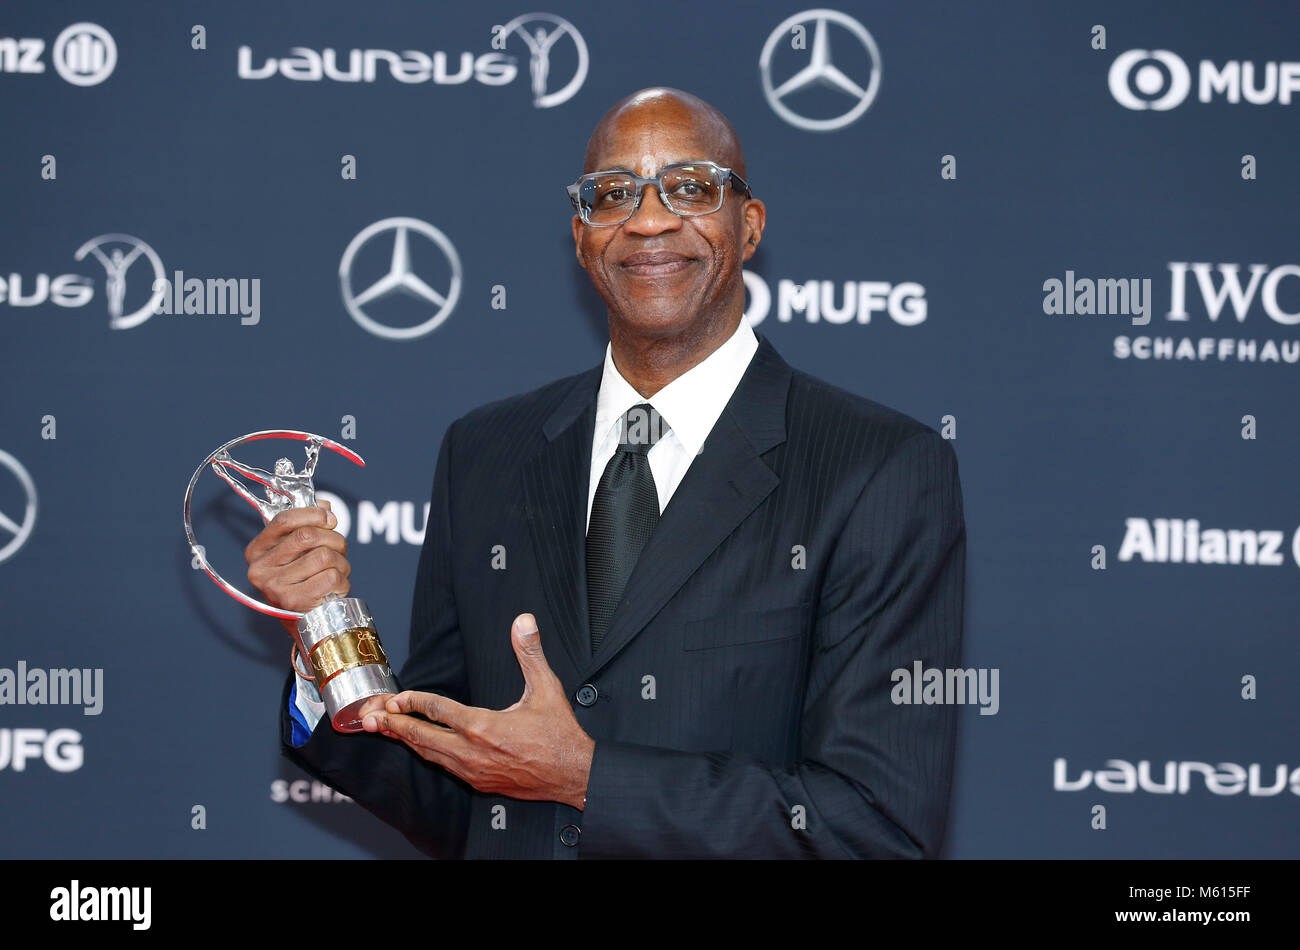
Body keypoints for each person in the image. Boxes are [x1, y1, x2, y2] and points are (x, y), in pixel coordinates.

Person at [244, 87, 966, 859]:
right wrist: (323, 628)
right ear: (583, 237)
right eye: (612, 194)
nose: (648, 221)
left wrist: (587, 777)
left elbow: (873, 830)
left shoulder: (878, 468)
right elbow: (449, 789)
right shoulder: (485, 451)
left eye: (690, 188)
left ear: (748, 226)